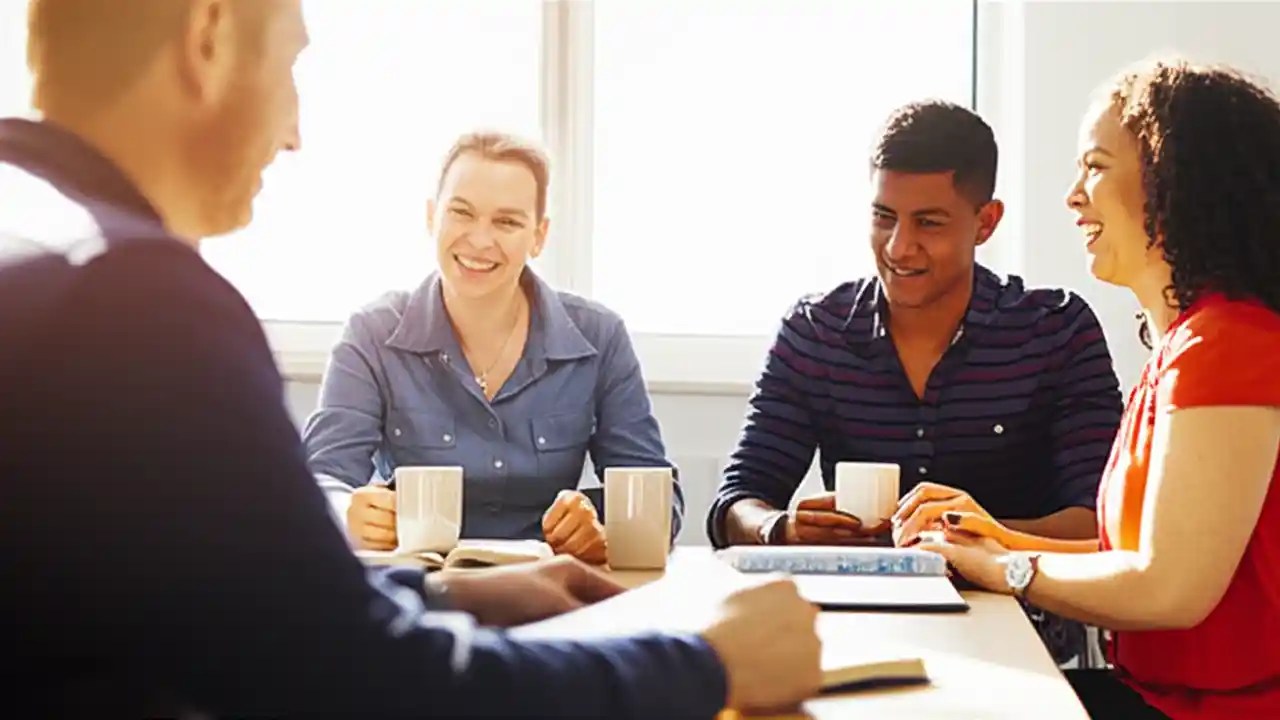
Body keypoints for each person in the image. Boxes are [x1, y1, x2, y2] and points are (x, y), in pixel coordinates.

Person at [0, 0, 823, 716]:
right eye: (291, 65)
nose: (293, 132)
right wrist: (708, 663)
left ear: (537, 235)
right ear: (208, 37)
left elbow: (222, 597)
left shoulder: (34, 236)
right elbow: (365, 681)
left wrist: (442, 589)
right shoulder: (136, 297)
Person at [705, 100, 1124, 662]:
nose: (899, 247)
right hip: (856, 632)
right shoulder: (816, 330)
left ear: (986, 222)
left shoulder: (1055, 331)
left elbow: (1093, 526)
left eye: (928, 222)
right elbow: (736, 502)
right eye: (883, 217)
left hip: (1020, 638)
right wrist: (781, 530)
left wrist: (972, 535)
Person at [925, 58, 1280, 719]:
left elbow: (1169, 589)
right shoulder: (1190, 343)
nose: (1072, 196)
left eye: (1094, 165)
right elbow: (1142, 557)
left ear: (1176, 180)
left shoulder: (1228, 343)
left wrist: (1008, 570)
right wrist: (995, 539)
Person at [305, 131, 680, 563]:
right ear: (432, 218)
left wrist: (600, 524)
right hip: (418, 590)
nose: (479, 240)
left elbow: (657, 496)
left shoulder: (600, 336)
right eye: (461, 213)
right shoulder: (372, 333)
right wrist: (345, 512)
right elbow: (320, 481)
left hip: (551, 591)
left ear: (538, 236)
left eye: (507, 222)